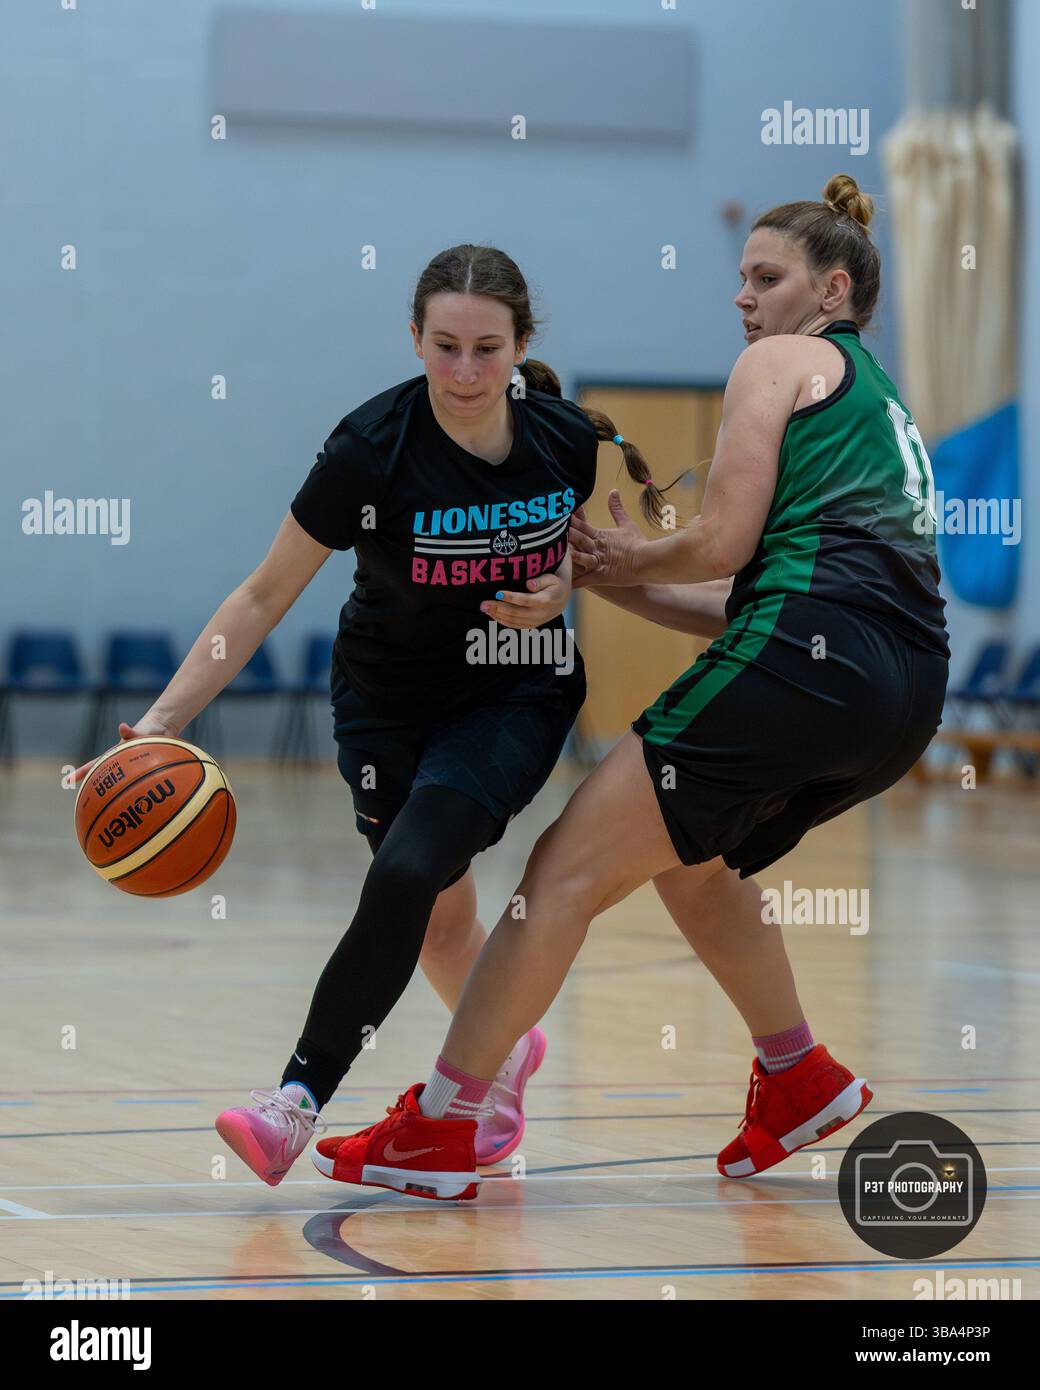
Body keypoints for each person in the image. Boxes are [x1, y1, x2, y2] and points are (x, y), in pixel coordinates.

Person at [311, 174, 950, 1201]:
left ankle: (441, 1121)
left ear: (829, 290)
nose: (741, 298)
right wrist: (615, 579)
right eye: (739, 278)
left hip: (804, 655)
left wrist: (619, 552)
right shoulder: (874, 401)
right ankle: (795, 1072)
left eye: (764, 276)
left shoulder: (778, 361)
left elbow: (720, 542)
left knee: (562, 867)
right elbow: (749, 593)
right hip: (901, 691)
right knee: (690, 861)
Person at [74, 244, 672, 1186]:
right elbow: (263, 595)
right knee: (436, 921)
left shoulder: (564, 438)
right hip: (385, 705)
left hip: (514, 687)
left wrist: (561, 584)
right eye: (444, 347)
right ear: (414, 338)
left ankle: (295, 1102)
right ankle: (508, 1052)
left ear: (522, 345)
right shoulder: (368, 449)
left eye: (487, 348)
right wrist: (161, 723)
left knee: (405, 871)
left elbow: (582, 561)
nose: (466, 372)